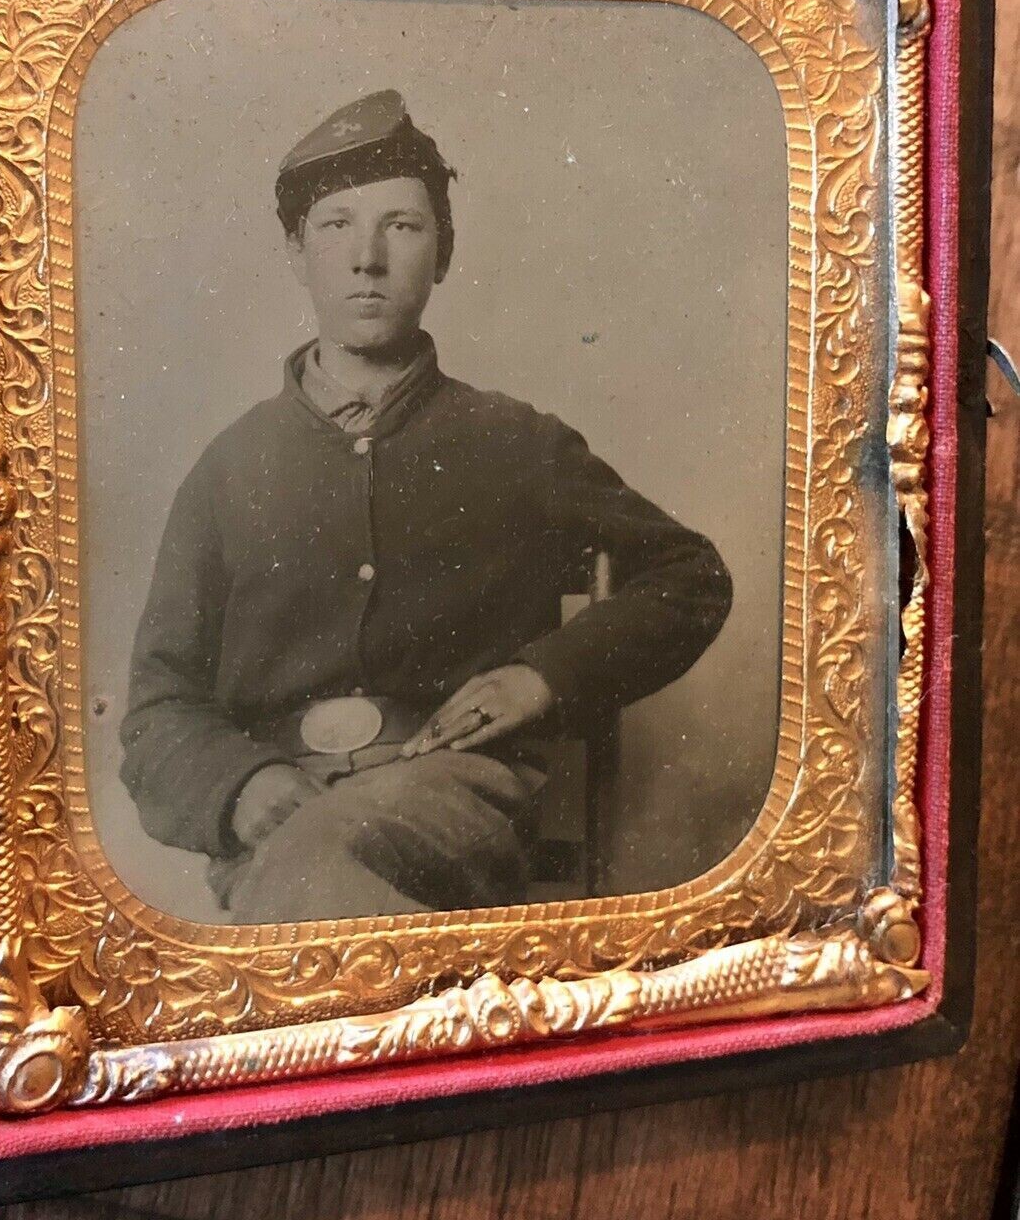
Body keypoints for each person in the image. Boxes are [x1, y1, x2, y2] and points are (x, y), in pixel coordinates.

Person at [118, 90, 732, 923]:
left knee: (310, 877)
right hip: (278, 815)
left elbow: (690, 576)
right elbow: (158, 706)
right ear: (296, 252)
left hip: (453, 799)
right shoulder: (229, 468)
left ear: (443, 252)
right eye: (336, 226)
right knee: (305, 868)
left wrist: (543, 676)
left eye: (402, 226)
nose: (367, 259)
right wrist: (239, 786)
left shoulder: (514, 442)